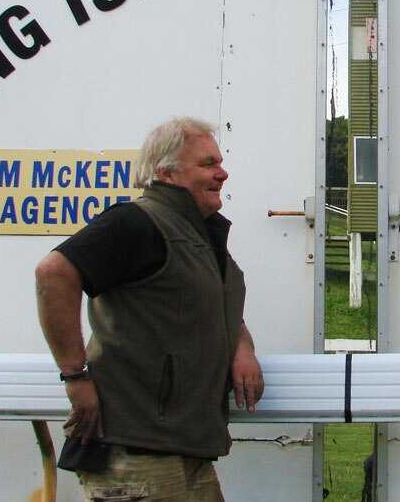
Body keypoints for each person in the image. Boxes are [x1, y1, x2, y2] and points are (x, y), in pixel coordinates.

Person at [35, 116, 263, 502]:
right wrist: (75, 377)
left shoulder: (197, 233)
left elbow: (214, 302)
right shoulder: (137, 223)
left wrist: (242, 346)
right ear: (167, 173)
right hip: (135, 455)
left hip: (187, 452)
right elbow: (53, 274)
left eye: (220, 163)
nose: (222, 174)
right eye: (207, 164)